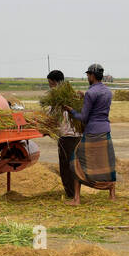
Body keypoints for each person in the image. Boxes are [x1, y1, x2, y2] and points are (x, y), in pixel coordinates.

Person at [66, 63, 116, 202]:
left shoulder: (91, 92)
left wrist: (71, 111)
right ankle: (112, 195)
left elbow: (83, 117)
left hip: (92, 132)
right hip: (105, 130)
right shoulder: (107, 91)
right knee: (106, 162)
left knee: (76, 161)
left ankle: (76, 199)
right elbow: (98, 106)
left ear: (92, 76)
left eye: (88, 75)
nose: (88, 77)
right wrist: (84, 97)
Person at [44, 70, 84, 203]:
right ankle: (74, 193)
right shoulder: (72, 94)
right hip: (77, 134)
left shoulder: (57, 97)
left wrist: (45, 127)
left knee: (67, 167)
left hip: (67, 136)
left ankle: (72, 194)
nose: (50, 86)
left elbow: (51, 115)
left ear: (55, 82)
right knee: (74, 165)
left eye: (50, 83)